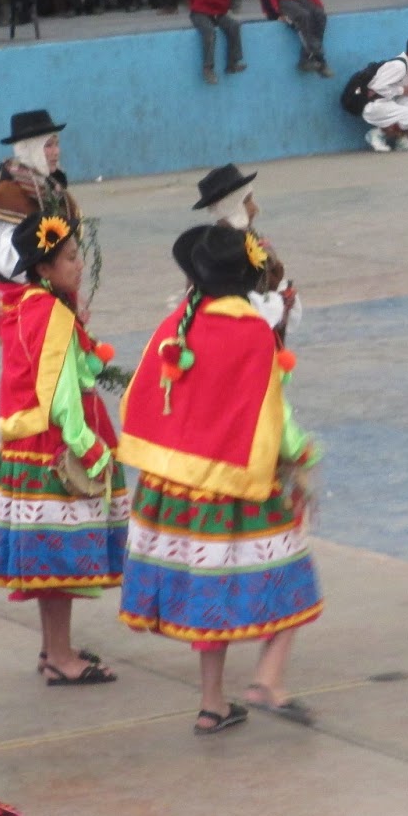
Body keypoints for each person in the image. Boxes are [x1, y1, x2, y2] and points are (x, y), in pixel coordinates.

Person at [117, 224, 321, 732]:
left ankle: (213, 703)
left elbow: (140, 399)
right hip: (237, 484)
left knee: (211, 599)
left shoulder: (176, 325)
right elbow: (271, 414)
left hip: (176, 490)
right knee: (294, 579)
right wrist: (302, 456)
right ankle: (268, 679)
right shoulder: (252, 332)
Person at [0, 211, 127, 685]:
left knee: (50, 559)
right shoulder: (52, 315)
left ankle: (54, 648)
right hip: (54, 446)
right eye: (69, 259)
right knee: (60, 558)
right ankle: (63, 657)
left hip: (24, 444)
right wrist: (93, 451)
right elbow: (63, 398)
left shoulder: (24, 305)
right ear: (44, 269)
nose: (79, 266)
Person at [191, 164, 300, 343]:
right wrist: (278, 304)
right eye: (247, 200)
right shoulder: (217, 251)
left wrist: (283, 297)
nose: (255, 208)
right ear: (231, 205)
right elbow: (234, 306)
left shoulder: (252, 238)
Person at [0, 109, 81, 282]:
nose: (56, 152)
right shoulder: (7, 194)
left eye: (57, 144)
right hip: (24, 292)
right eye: (48, 145)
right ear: (29, 149)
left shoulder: (52, 188)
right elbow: (5, 259)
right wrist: (44, 277)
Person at [361, 34, 408, 152]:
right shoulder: (399, 66)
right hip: (375, 105)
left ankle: (401, 139)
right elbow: (377, 87)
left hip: (386, 103)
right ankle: (377, 134)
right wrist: (401, 90)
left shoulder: (407, 66)